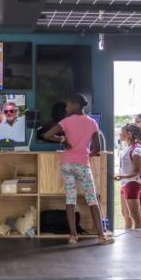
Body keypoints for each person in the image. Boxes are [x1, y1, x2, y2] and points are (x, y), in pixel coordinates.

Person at [43, 94, 113, 245]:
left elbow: (47, 135)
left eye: (68, 105)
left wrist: (63, 140)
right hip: (82, 165)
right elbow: (97, 148)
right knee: (92, 200)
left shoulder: (66, 121)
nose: (66, 108)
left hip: (67, 165)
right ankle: (101, 236)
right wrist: (88, 153)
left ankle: (73, 236)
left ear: (76, 105)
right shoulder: (92, 123)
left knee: (70, 201)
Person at [115, 124, 141, 229]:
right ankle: (128, 238)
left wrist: (122, 176)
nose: (120, 133)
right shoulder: (128, 147)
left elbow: (137, 171)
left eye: (122, 131)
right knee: (126, 215)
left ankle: (138, 241)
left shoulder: (137, 149)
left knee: (135, 216)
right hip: (126, 183)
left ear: (129, 134)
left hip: (132, 184)